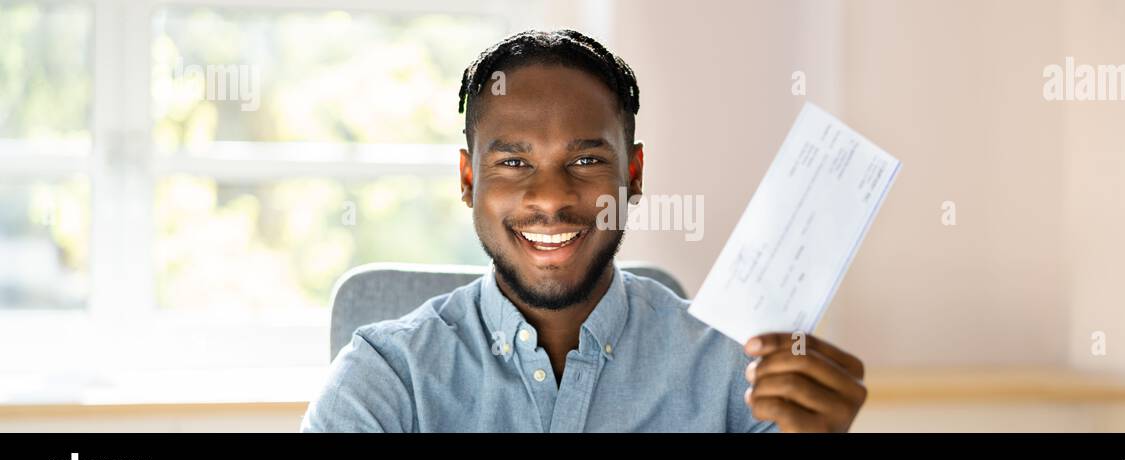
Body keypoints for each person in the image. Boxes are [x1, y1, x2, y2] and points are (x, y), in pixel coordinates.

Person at [301, 29, 867, 432]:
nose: (550, 198)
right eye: (514, 163)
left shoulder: (734, 376)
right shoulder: (387, 379)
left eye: (587, 161)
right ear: (469, 179)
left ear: (633, 174)